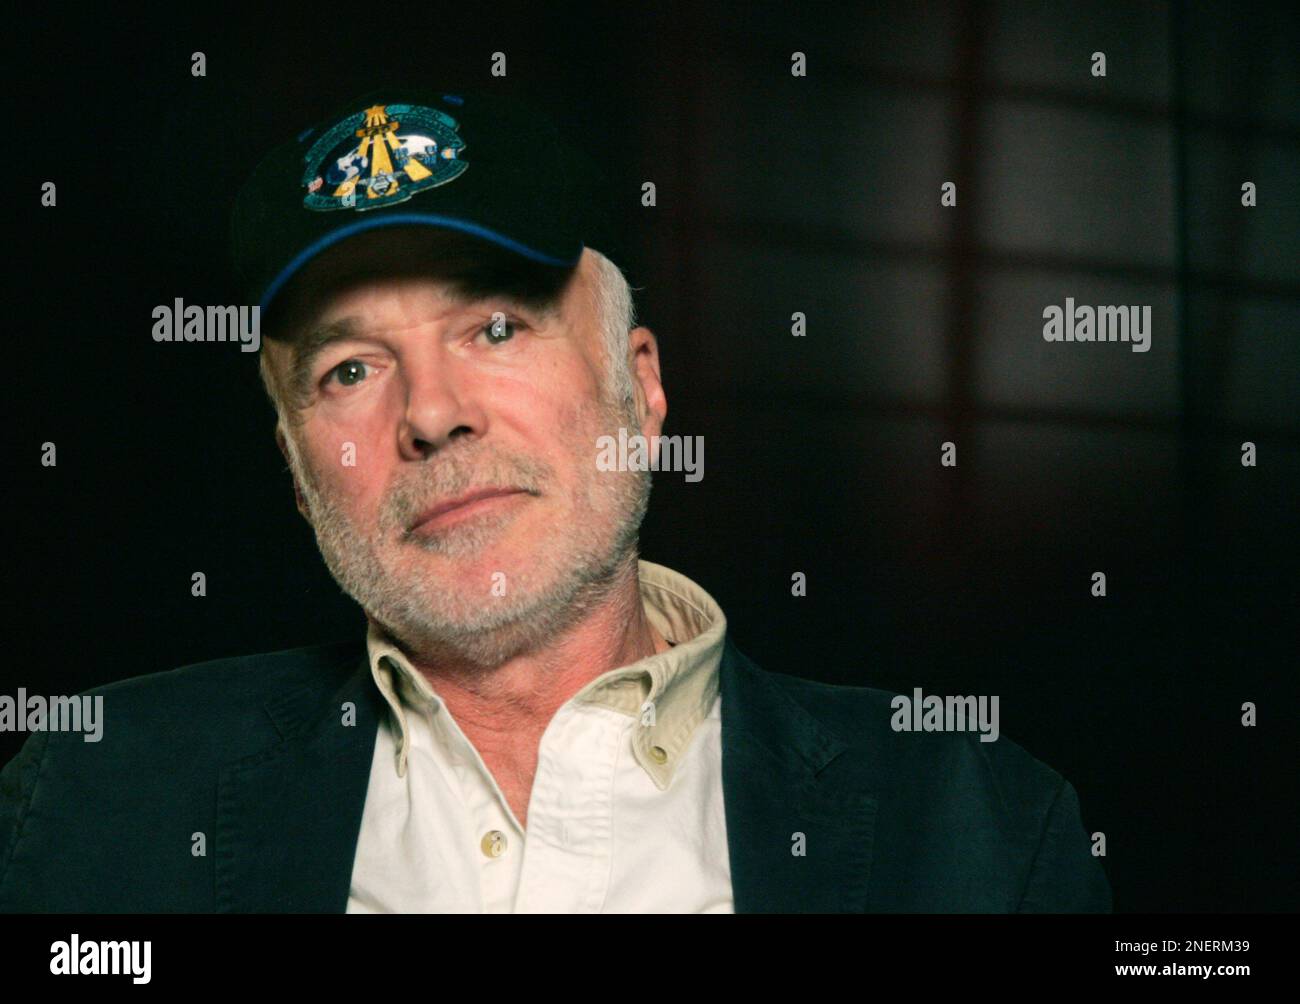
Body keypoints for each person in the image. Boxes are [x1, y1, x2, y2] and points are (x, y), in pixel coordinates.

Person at [0, 87, 1111, 913]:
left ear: (642, 385)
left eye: (494, 327)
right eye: (349, 369)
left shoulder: (975, 830)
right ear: (295, 466)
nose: (430, 413)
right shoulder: (95, 798)